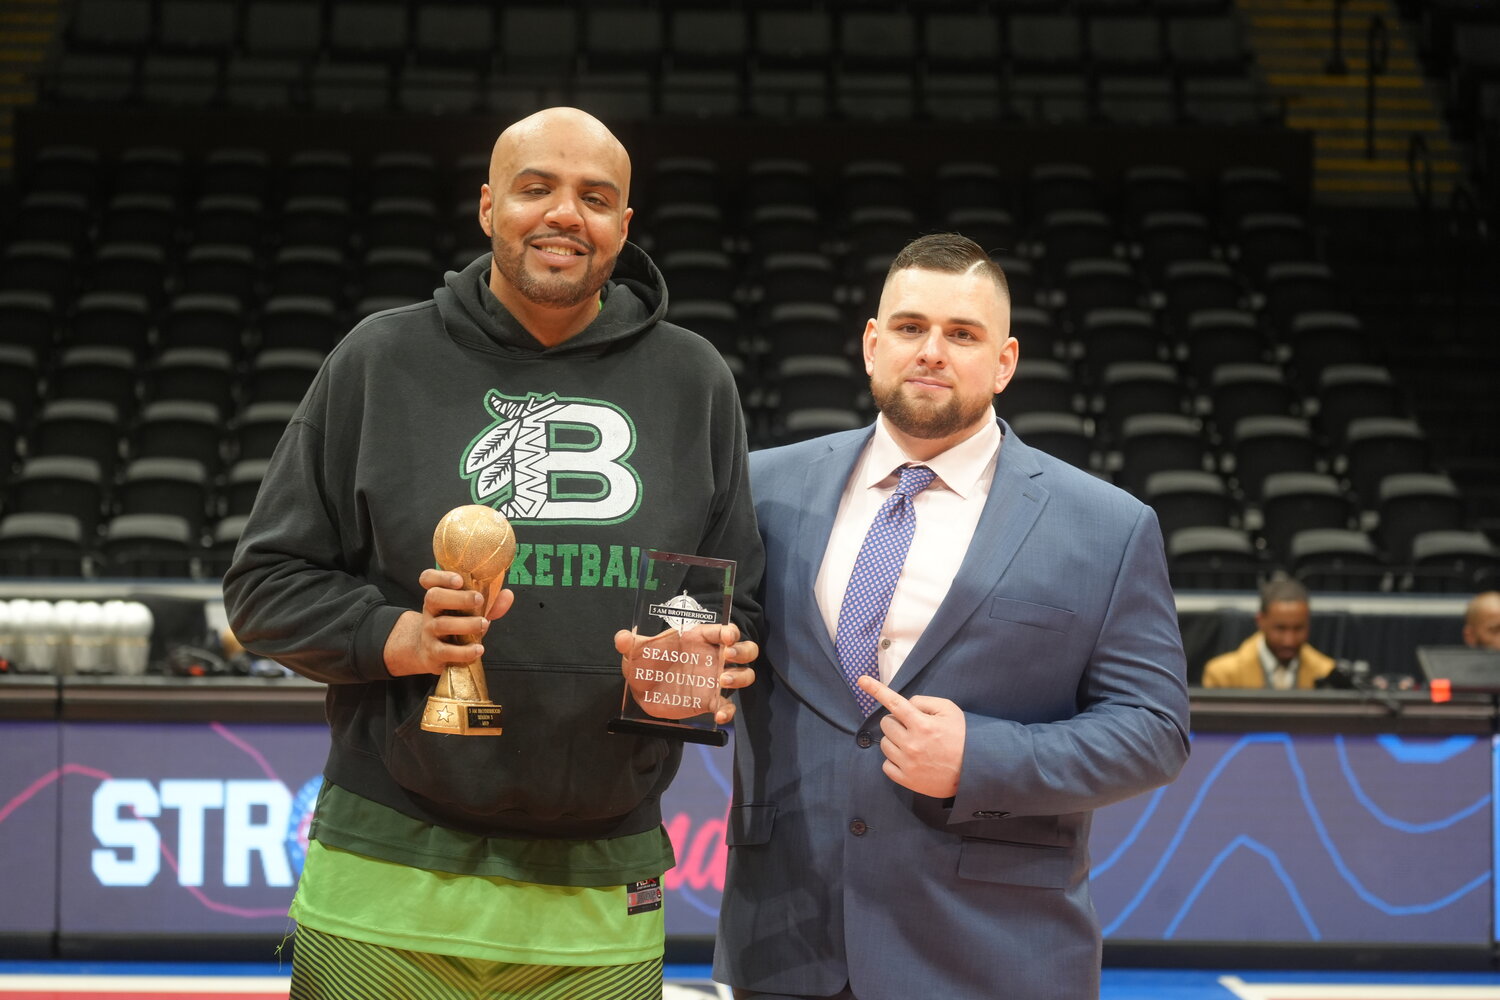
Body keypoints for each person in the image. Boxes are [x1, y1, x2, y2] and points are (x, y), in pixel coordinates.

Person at [223, 107, 762, 999]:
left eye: (595, 198)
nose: (565, 214)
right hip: (388, 863)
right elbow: (265, 587)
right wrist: (399, 637)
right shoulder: (379, 360)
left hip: (601, 877)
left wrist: (701, 663)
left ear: (624, 224)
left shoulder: (693, 379)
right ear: (487, 207)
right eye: (535, 188)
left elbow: (734, 601)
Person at [715, 233, 1190, 1000]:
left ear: (1004, 361)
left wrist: (981, 758)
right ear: (872, 345)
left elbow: (1155, 731)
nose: (931, 351)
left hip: (994, 954)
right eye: (910, 328)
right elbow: (715, 650)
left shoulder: (1107, 526)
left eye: (962, 334)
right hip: (787, 941)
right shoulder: (761, 487)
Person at [1200, 578, 1334, 689]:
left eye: (1298, 628)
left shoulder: (1328, 673)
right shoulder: (1222, 676)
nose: (1289, 641)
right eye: (1280, 629)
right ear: (1260, 621)